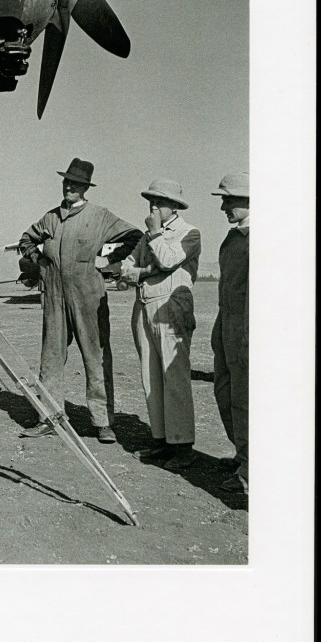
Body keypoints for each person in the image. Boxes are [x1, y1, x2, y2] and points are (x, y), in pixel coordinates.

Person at [18, 158, 142, 443]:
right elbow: (26, 239)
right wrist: (39, 260)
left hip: (88, 296)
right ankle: (49, 416)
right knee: (50, 357)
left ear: (86, 188)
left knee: (95, 356)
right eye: (67, 182)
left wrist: (109, 260)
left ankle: (103, 422)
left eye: (76, 184)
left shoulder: (100, 216)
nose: (69, 187)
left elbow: (135, 236)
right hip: (54, 296)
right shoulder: (50, 217)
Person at [119, 179, 201, 470]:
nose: (153, 206)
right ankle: (162, 440)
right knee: (150, 375)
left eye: (161, 202)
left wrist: (154, 237)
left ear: (175, 205)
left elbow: (167, 261)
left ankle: (182, 446)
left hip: (171, 307)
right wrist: (145, 270)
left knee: (173, 375)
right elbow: (126, 268)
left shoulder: (189, 233)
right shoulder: (146, 236)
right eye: (151, 201)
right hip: (144, 305)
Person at [210, 172, 249, 494]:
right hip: (228, 326)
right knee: (225, 392)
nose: (223, 205)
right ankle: (242, 456)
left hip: (248, 330)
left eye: (229, 199)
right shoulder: (234, 237)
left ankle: (251, 473)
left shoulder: (258, 239)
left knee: (246, 400)